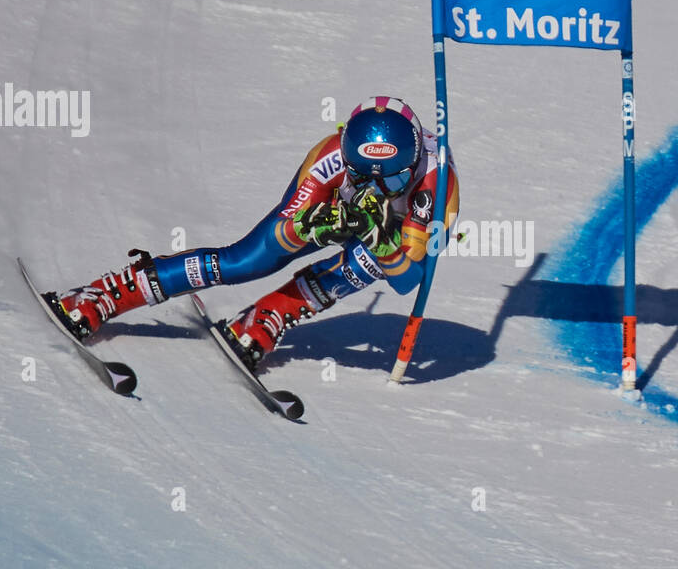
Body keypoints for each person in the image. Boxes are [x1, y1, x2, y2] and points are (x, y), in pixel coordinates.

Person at [44, 96, 459, 369]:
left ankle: (269, 313)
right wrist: (313, 225)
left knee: (358, 267)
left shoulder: (438, 188)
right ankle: (110, 291)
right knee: (247, 261)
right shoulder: (330, 158)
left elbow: (408, 281)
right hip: (331, 206)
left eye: (389, 183)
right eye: (362, 178)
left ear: (414, 163)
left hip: (396, 231)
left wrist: (380, 241)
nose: (374, 191)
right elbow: (278, 238)